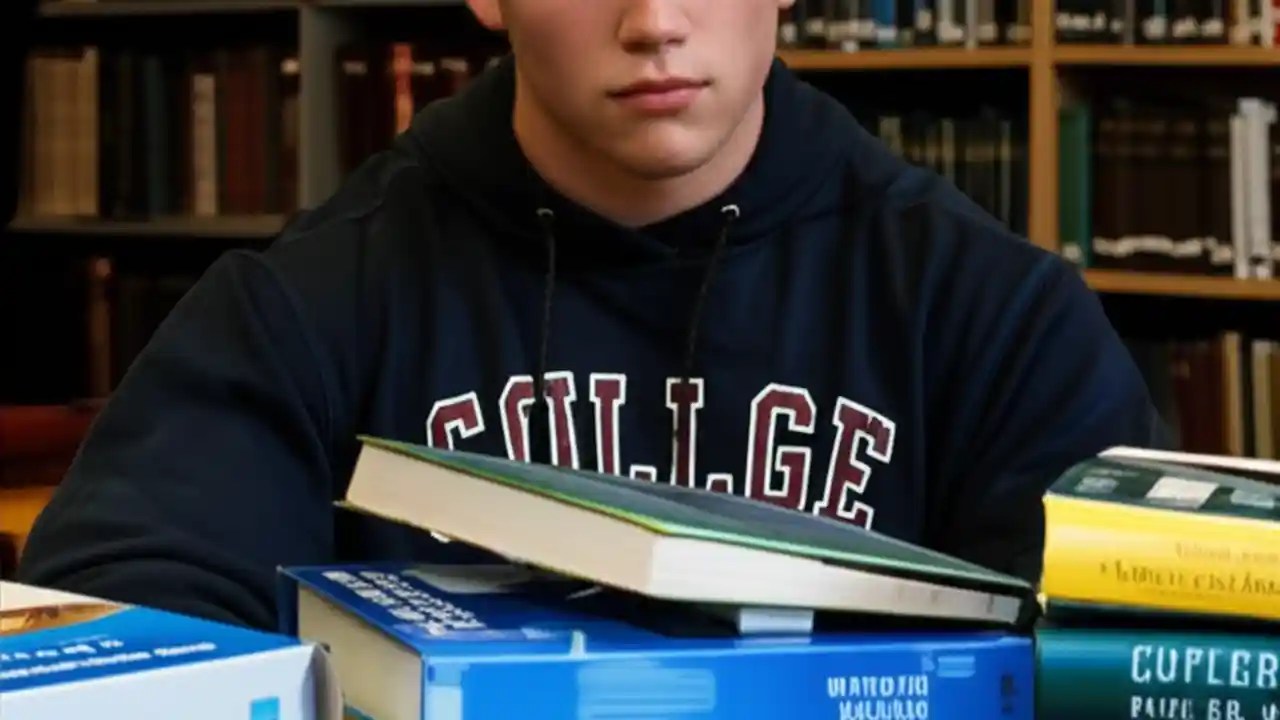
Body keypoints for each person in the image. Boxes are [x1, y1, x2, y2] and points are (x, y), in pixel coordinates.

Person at [16, 0, 1168, 631]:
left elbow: (1118, 649)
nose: (654, 21)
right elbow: (116, 618)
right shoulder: (313, 299)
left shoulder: (986, 308)